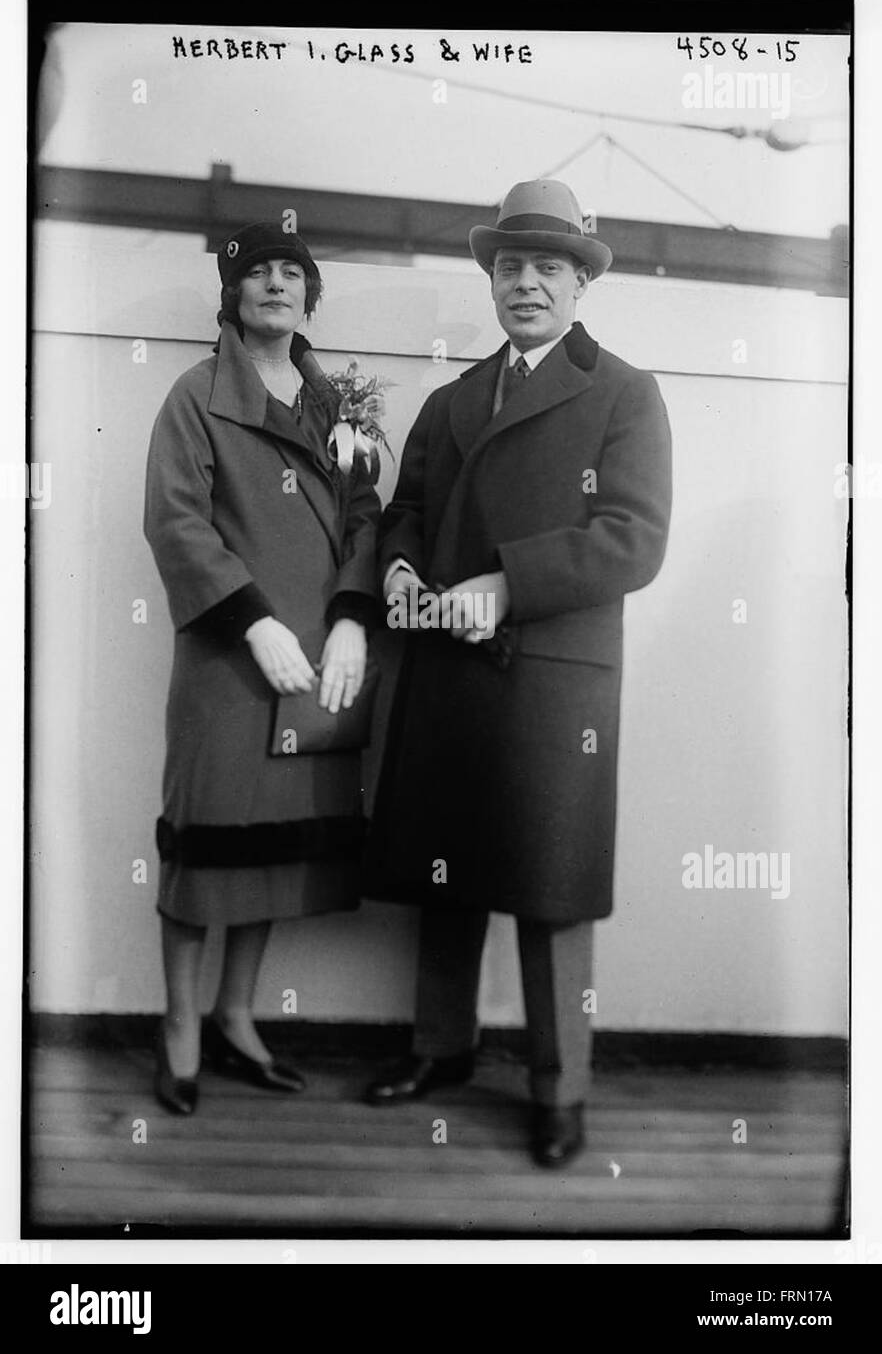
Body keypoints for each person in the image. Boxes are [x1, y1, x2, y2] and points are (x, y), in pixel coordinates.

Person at [364, 179, 673, 1167]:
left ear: (581, 283)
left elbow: (635, 539)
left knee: (550, 890)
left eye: (548, 267)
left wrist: (507, 585)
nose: (527, 283)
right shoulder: (452, 399)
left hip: (550, 678)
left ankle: (559, 1090)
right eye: (510, 266)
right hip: (449, 666)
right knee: (446, 877)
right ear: (491, 280)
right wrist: (402, 568)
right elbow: (403, 509)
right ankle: (440, 1051)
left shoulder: (626, 392)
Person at [144, 220, 379, 1115]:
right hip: (230, 663)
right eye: (259, 273)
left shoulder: (337, 405)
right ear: (233, 294)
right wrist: (252, 621)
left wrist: (353, 619)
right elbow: (176, 521)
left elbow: (364, 519)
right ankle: (178, 1029)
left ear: (309, 295)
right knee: (206, 844)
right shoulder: (197, 395)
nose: (276, 284)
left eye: (293, 273)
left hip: (318, 660)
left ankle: (237, 1018)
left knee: (272, 850)